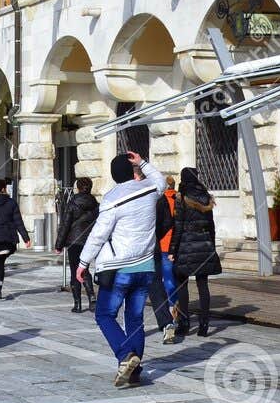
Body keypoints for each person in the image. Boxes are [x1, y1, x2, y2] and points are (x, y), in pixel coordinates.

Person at [77, 151, 164, 389]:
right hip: (145, 263)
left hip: (118, 268)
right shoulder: (149, 189)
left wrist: (83, 262)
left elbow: (98, 235)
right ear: (132, 170)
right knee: (134, 318)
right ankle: (133, 373)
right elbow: (161, 182)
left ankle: (125, 355)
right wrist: (143, 163)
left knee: (104, 314)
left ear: (114, 176)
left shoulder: (112, 198)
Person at [170, 167, 223, 339]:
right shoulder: (206, 197)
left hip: (186, 245)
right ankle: (204, 324)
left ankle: (184, 323)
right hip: (205, 244)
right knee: (203, 285)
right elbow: (212, 226)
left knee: (182, 284)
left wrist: (172, 250)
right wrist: (212, 247)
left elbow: (177, 226)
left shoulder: (181, 196)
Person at [53, 178, 100, 313]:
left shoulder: (72, 203)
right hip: (89, 241)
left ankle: (77, 304)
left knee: (76, 271)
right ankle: (91, 297)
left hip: (74, 241)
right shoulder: (96, 204)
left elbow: (65, 225)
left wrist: (59, 245)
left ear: (78, 188)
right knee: (84, 268)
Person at [153, 174, 179, 342]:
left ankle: (171, 308)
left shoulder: (159, 200)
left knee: (163, 279)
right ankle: (173, 309)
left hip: (162, 244)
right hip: (176, 244)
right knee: (170, 279)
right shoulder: (180, 199)